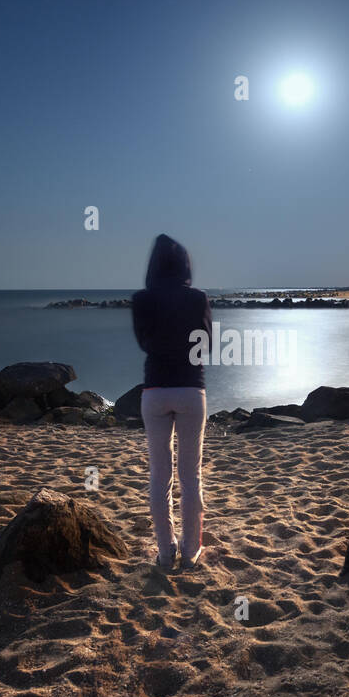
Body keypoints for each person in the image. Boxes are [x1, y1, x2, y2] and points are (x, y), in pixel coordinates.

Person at [131, 234, 211, 570]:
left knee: (159, 475)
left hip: (155, 391)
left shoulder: (141, 299)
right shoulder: (198, 298)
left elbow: (144, 344)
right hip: (191, 390)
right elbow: (204, 344)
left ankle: (166, 552)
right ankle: (191, 551)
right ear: (185, 265)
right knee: (191, 476)